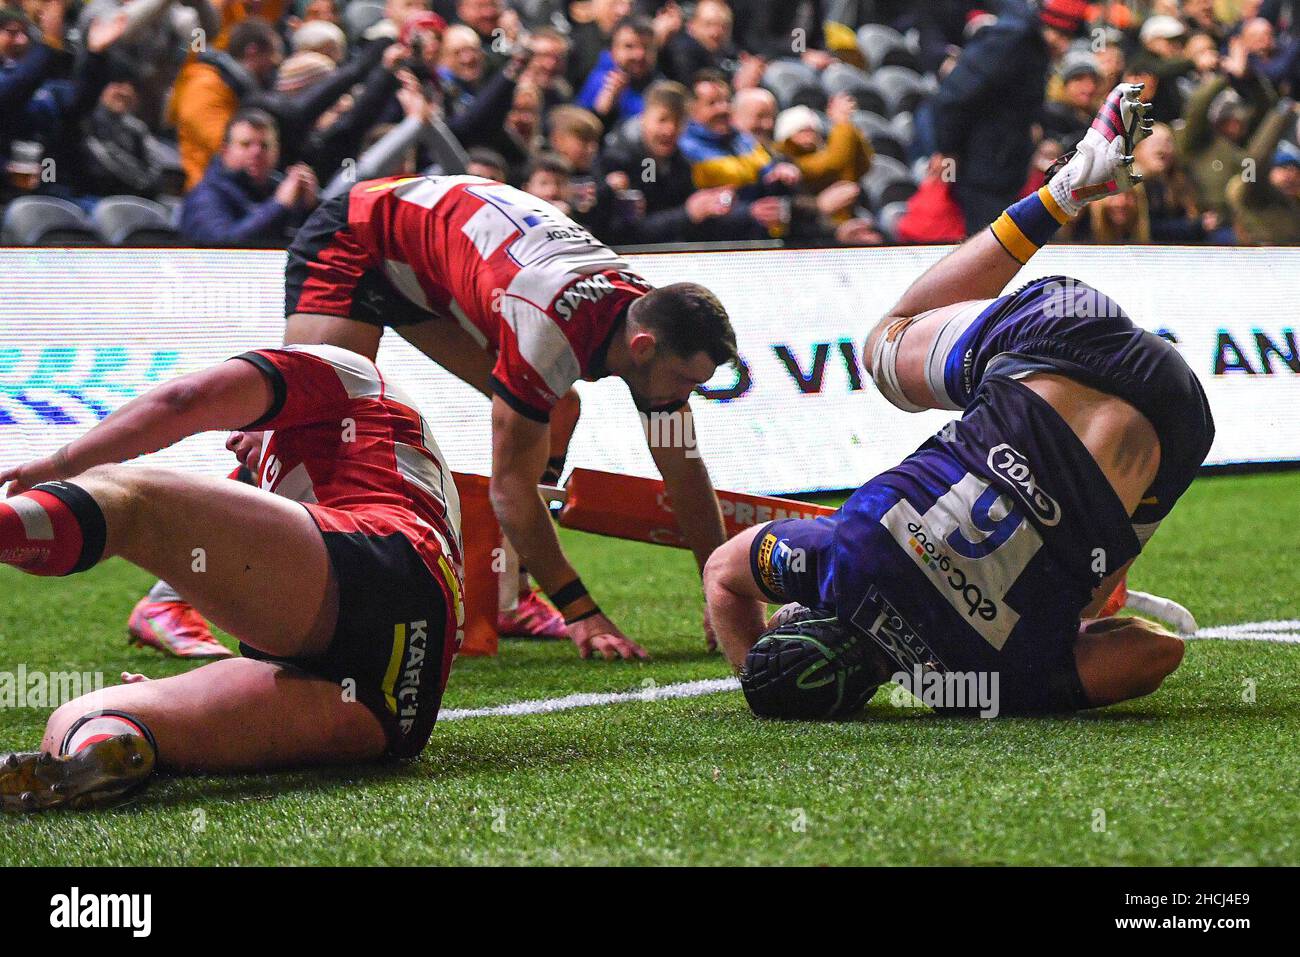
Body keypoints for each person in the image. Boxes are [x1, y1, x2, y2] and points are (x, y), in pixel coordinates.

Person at [705, 84, 1212, 719]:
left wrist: (1026, 657)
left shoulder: (989, 689)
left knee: (1084, 598)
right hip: (1065, 330)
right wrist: (755, 675)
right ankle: (1068, 187)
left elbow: (1154, 654)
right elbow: (725, 573)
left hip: (1178, 419)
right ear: (803, 616)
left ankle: (1101, 569)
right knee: (883, 345)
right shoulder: (841, 554)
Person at [144, 172, 737, 662]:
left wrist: (721, 590)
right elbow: (511, 491)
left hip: (424, 261)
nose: (684, 396)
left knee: (554, 411)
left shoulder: (646, 323)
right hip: (358, 239)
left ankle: (507, 597)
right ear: (642, 348)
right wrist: (584, 612)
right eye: (686, 381)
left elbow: (682, 468)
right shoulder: (549, 336)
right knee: (304, 422)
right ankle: (168, 597)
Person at [0, 341, 464, 810]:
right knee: (88, 712)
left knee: (129, 499)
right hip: (388, 705)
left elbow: (184, 400)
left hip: (391, 562)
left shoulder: (346, 371)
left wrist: (59, 467)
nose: (230, 438)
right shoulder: (297, 486)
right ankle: (101, 751)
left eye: (245, 423)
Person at [179, 108, 319, 246]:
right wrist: (278, 205)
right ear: (225, 151)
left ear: (277, 151)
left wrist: (311, 209)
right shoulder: (206, 195)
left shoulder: (279, 187)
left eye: (264, 146)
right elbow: (222, 249)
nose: (256, 152)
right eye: (246, 145)